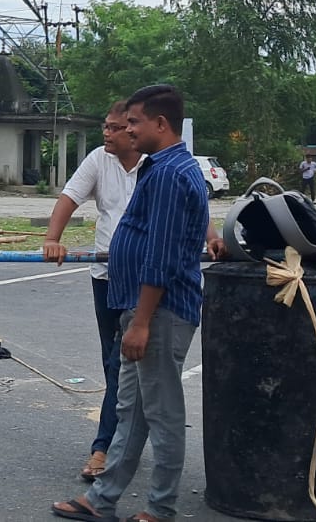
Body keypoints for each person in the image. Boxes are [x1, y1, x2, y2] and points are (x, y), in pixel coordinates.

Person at [53, 85, 222, 522]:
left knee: (162, 412)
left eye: (133, 122)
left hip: (160, 313)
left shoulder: (168, 174)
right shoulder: (165, 167)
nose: (126, 130)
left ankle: (161, 508)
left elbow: (162, 255)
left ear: (160, 125)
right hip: (140, 308)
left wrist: (142, 321)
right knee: (132, 408)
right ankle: (102, 500)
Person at [42, 101, 144, 483]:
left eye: (116, 127)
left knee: (132, 367)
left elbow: (192, 209)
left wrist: (214, 239)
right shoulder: (100, 159)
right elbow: (69, 198)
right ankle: (115, 439)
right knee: (114, 364)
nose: (108, 133)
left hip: (145, 277)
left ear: (135, 131)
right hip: (106, 274)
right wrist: (53, 239)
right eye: (107, 125)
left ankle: (109, 446)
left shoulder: (156, 164)